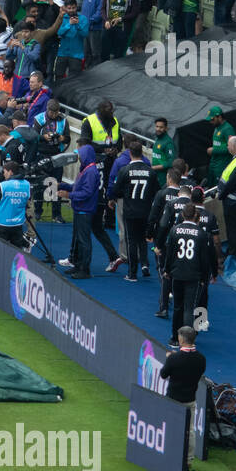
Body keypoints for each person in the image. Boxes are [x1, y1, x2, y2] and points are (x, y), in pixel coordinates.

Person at [58, 144, 117, 279]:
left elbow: (86, 192)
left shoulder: (90, 171)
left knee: (84, 240)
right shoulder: (86, 169)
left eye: (79, 155)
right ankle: (78, 265)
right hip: (80, 209)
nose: (78, 157)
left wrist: (68, 195)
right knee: (79, 239)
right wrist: (63, 185)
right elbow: (77, 186)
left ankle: (85, 269)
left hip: (85, 209)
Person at [164, 204, 215, 345]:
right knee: (189, 308)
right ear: (195, 216)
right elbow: (204, 259)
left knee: (177, 307)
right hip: (193, 275)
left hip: (177, 273)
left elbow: (170, 253)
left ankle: (174, 338)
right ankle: (187, 342)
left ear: (182, 215)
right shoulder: (201, 233)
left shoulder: (175, 230)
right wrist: (205, 277)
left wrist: (167, 270)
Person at [109, 142, 157, 282]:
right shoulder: (150, 171)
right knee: (142, 239)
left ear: (130, 153)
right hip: (145, 210)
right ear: (142, 153)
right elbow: (156, 192)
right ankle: (145, 265)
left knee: (131, 241)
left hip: (130, 210)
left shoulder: (125, 170)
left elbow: (116, 191)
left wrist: (125, 193)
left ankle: (132, 273)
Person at [160, 326, 206, 460]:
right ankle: (189, 458)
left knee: (170, 426)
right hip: (190, 398)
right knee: (190, 430)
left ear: (181, 339)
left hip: (173, 399)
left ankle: (170, 453)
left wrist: (169, 359)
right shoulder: (201, 359)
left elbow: (163, 374)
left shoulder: (174, 359)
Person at [0, 161, 31, 250]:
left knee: (1, 249)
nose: (3, 174)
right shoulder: (27, 184)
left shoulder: (3, 185)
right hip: (17, 223)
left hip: (2, 223)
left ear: (10, 172)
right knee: (17, 250)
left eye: (4, 172)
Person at [204, 106, 234, 185]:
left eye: (212, 119)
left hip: (222, 166)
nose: (211, 122)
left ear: (219, 117)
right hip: (213, 165)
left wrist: (214, 150)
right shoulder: (217, 128)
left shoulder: (228, 129)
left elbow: (232, 148)